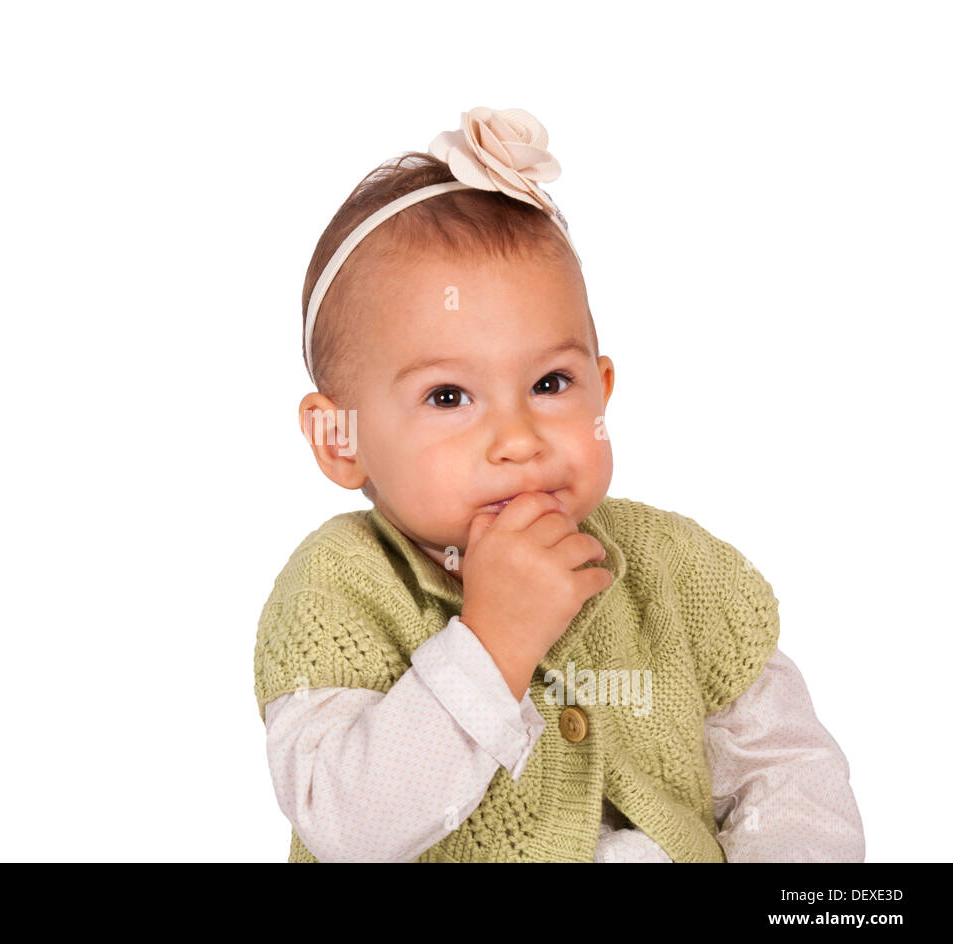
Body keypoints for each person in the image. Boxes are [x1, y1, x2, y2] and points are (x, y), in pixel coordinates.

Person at [252, 106, 864, 862]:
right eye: (448, 396)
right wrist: (490, 643)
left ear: (601, 389)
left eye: (550, 381)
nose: (517, 438)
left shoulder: (677, 569)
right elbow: (348, 826)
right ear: (339, 437)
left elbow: (794, 778)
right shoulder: (337, 590)